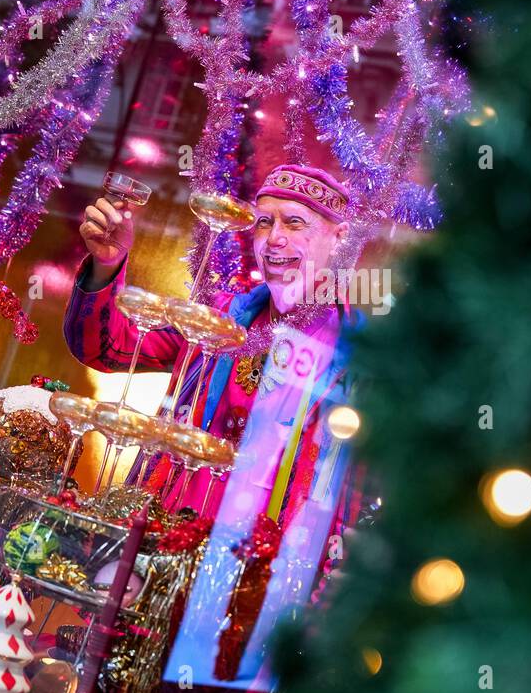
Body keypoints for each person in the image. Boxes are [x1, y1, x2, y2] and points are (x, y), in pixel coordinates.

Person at [63, 164, 363, 526]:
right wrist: (107, 262)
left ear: (339, 237)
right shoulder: (217, 319)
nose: (273, 239)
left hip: (267, 564)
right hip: (163, 539)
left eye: (294, 223)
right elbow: (106, 347)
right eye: (264, 222)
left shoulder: (361, 353)